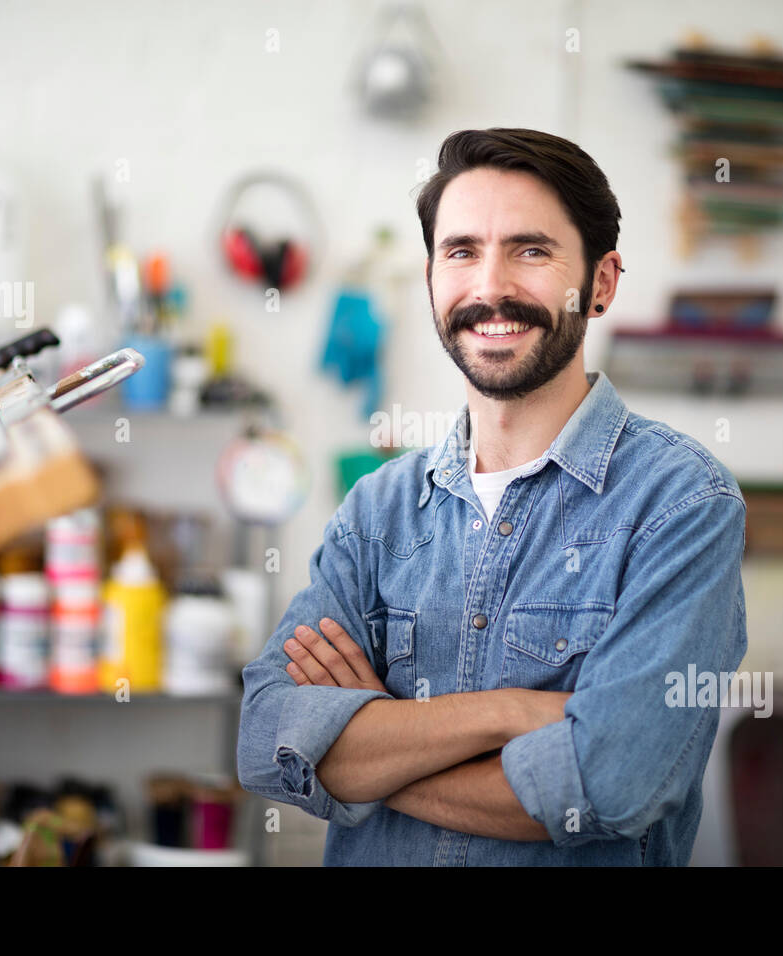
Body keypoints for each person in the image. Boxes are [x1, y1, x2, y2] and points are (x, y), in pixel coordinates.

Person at [238, 127, 747, 865]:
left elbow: (608, 784)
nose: (491, 287)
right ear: (432, 279)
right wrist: (507, 715)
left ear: (601, 283)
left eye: (531, 250)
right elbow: (265, 737)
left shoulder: (682, 507)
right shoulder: (377, 511)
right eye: (462, 251)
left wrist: (365, 740)